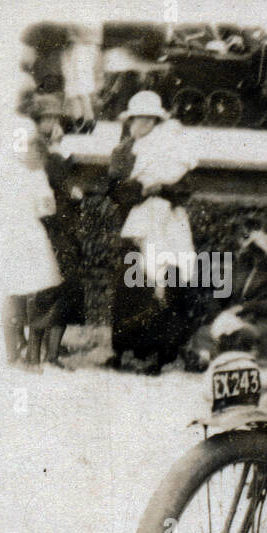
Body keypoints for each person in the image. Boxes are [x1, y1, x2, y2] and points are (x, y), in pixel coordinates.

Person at [104, 90, 198, 370]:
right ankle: (123, 351)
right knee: (130, 287)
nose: (143, 123)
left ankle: (159, 353)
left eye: (149, 119)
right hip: (134, 226)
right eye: (138, 118)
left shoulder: (170, 148)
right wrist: (141, 191)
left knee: (166, 282)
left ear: (157, 121)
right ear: (130, 120)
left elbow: (185, 187)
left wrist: (163, 189)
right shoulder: (123, 152)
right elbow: (115, 190)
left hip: (167, 223)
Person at [1, 100, 64, 367]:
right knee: (37, 290)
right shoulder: (34, 173)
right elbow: (47, 208)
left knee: (17, 290)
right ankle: (26, 354)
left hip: (12, 233)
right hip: (27, 234)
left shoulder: (10, 171)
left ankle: (18, 353)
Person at [25, 93, 86, 366]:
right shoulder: (38, 151)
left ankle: (49, 354)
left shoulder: (51, 150)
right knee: (49, 289)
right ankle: (38, 354)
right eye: (45, 119)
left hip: (62, 226)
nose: (51, 123)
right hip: (49, 226)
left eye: (53, 118)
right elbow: (56, 178)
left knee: (63, 288)